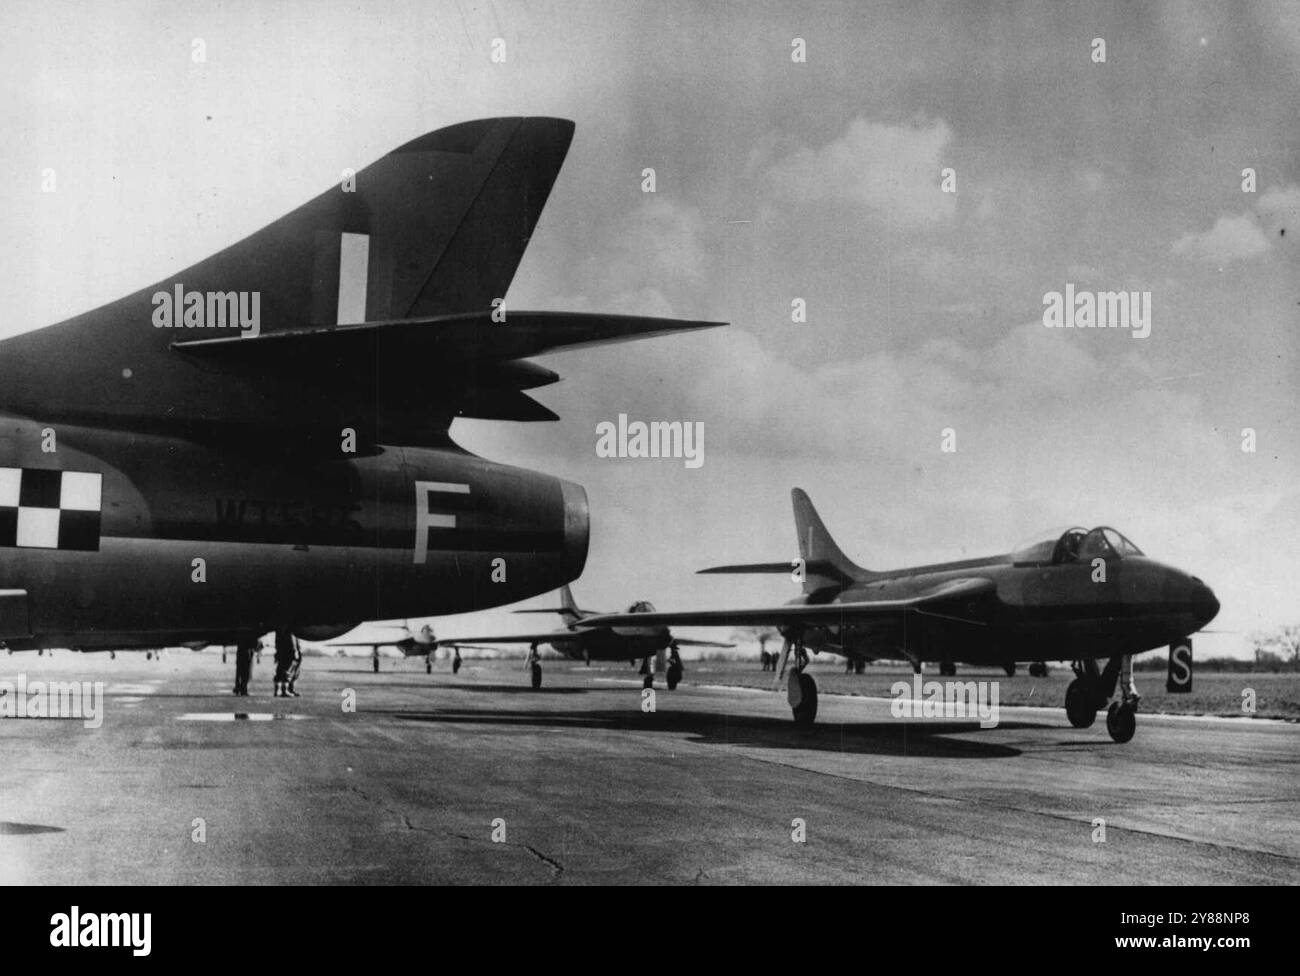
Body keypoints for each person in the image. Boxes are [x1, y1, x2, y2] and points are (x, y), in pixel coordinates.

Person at [273, 628, 296, 698]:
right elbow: (291, 643)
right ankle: (284, 690)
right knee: (286, 671)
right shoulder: (289, 632)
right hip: (287, 652)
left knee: (279, 671)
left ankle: (277, 691)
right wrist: (294, 652)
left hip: (280, 652)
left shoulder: (278, 631)